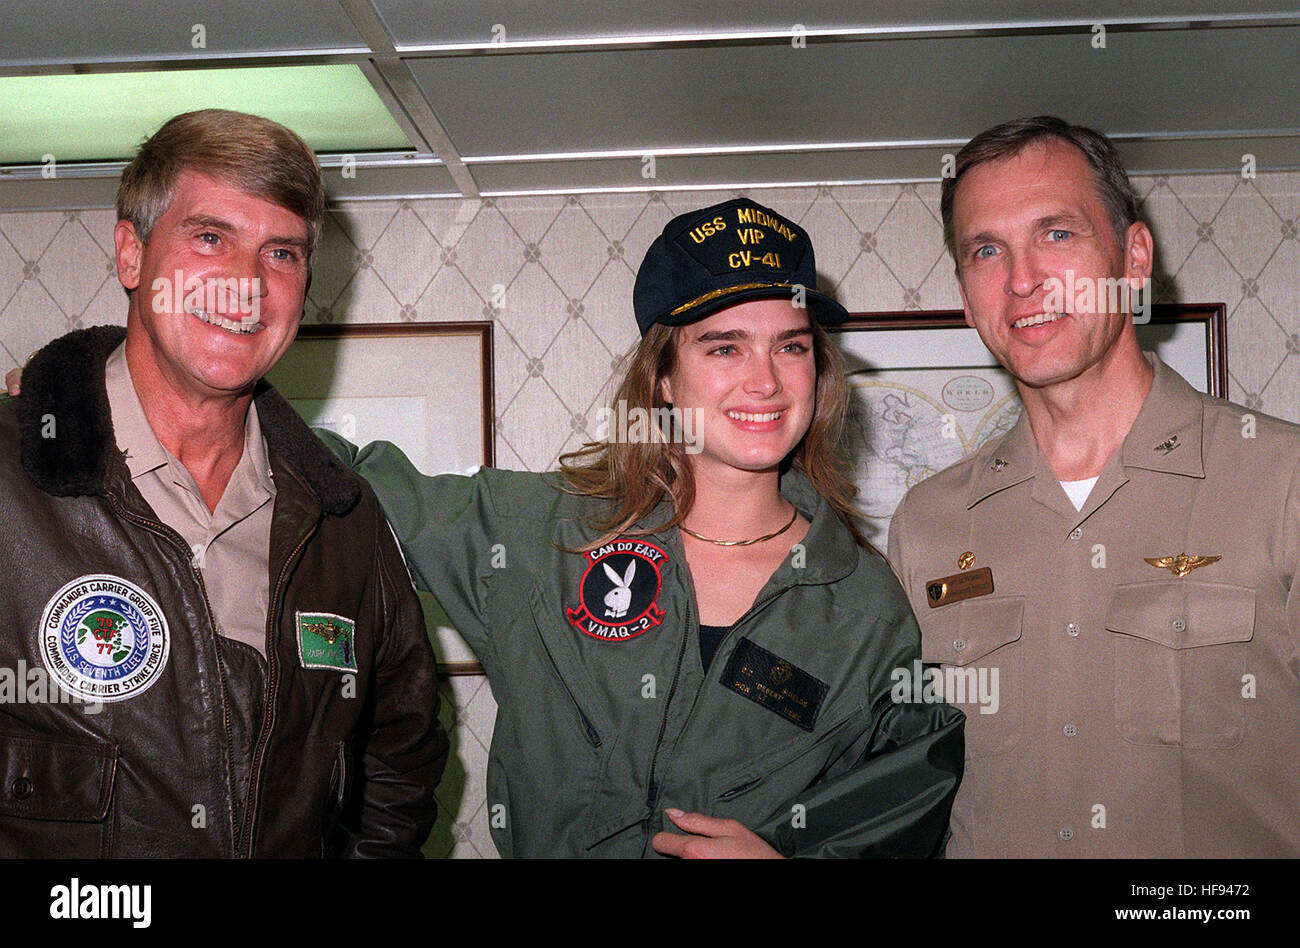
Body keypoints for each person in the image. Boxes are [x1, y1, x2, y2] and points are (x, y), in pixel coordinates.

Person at [318, 198, 964, 858]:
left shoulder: (863, 609)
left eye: (790, 346)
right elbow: (332, 487)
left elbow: (904, 812)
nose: (765, 380)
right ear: (662, 378)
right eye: (724, 347)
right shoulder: (535, 535)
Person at [0, 109, 446, 857]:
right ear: (132, 254)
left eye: (282, 253)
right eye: (210, 238)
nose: (247, 285)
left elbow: (395, 767)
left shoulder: (343, 521)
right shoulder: (13, 481)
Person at [887, 116, 1300, 857]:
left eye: (1057, 234)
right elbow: (895, 785)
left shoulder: (1282, 484)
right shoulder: (928, 525)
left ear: (1134, 257)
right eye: (987, 250)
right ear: (965, 290)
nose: (1022, 280)